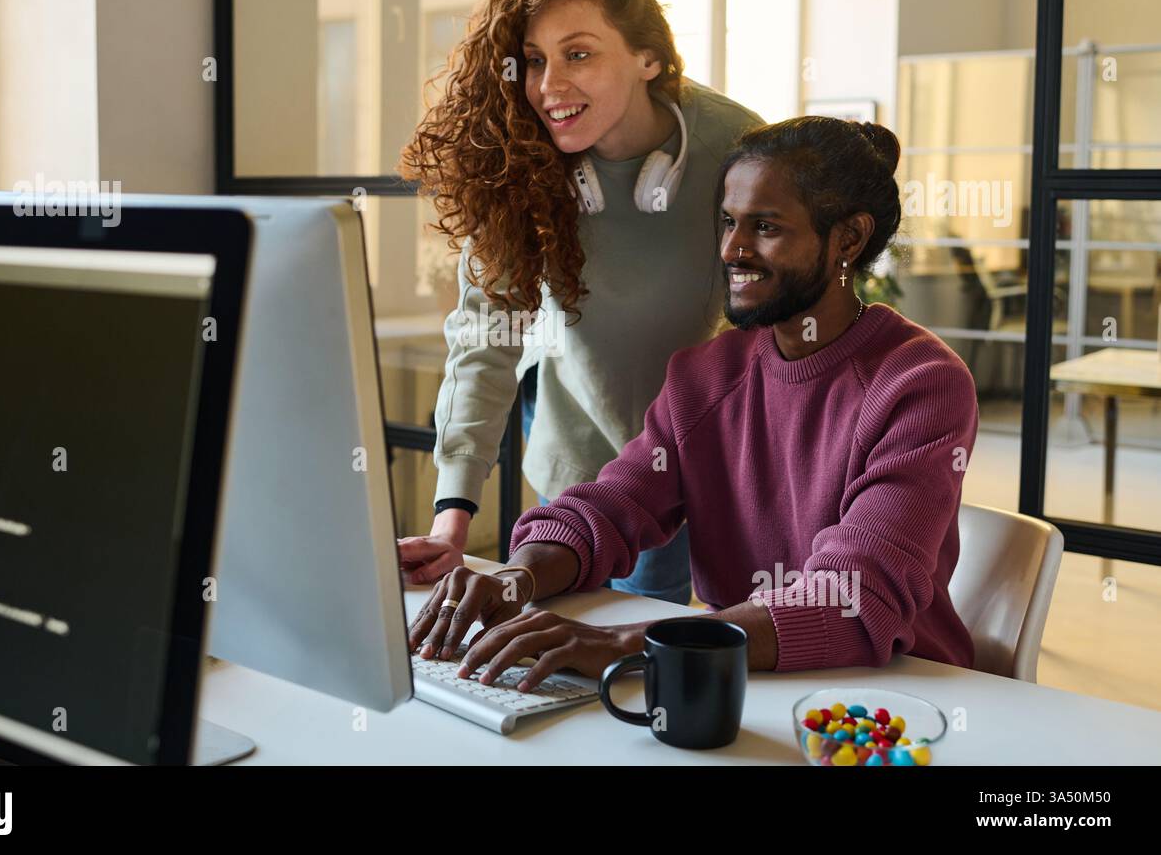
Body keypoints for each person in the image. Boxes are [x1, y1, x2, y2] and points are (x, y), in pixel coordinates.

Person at [407, 117, 979, 685]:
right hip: (744, 676)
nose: (733, 248)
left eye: (766, 227)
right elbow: (608, 509)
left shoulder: (921, 384)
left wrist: (622, 644)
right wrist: (518, 578)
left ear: (848, 239)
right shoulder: (705, 376)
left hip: (892, 696)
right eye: (729, 222)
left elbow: (854, 595)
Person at [396, 0, 764, 605]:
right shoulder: (520, 159)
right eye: (535, 60)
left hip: (684, 458)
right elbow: (486, 336)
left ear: (648, 58)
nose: (548, 86)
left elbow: (777, 319)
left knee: (638, 657)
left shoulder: (736, 147)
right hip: (570, 446)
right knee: (550, 636)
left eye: (579, 53)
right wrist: (452, 517)